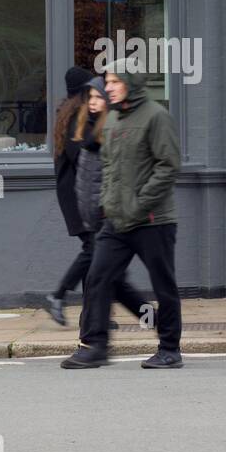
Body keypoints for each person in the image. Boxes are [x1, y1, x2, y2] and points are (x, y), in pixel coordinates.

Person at [62, 59, 182, 370]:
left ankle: (169, 348)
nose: (109, 87)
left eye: (115, 82)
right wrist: (107, 204)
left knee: (163, 284)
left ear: (131, 83)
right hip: (115, 220)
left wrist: (140, 204)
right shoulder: (113, 118)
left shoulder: (157, 117)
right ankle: (94, 346)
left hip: (152, 220)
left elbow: (168, 167)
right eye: (108, 82)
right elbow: (110, 169)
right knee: (99, 277)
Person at [44, 70, 152, 327]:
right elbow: (82, 162)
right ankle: (66, 300)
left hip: (85, 200)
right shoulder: (77, 119)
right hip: (83, 202)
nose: (94, 99)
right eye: (91, 94)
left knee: (100, 260)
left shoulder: (76, 115)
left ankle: (92, 315)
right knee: (98, 256)